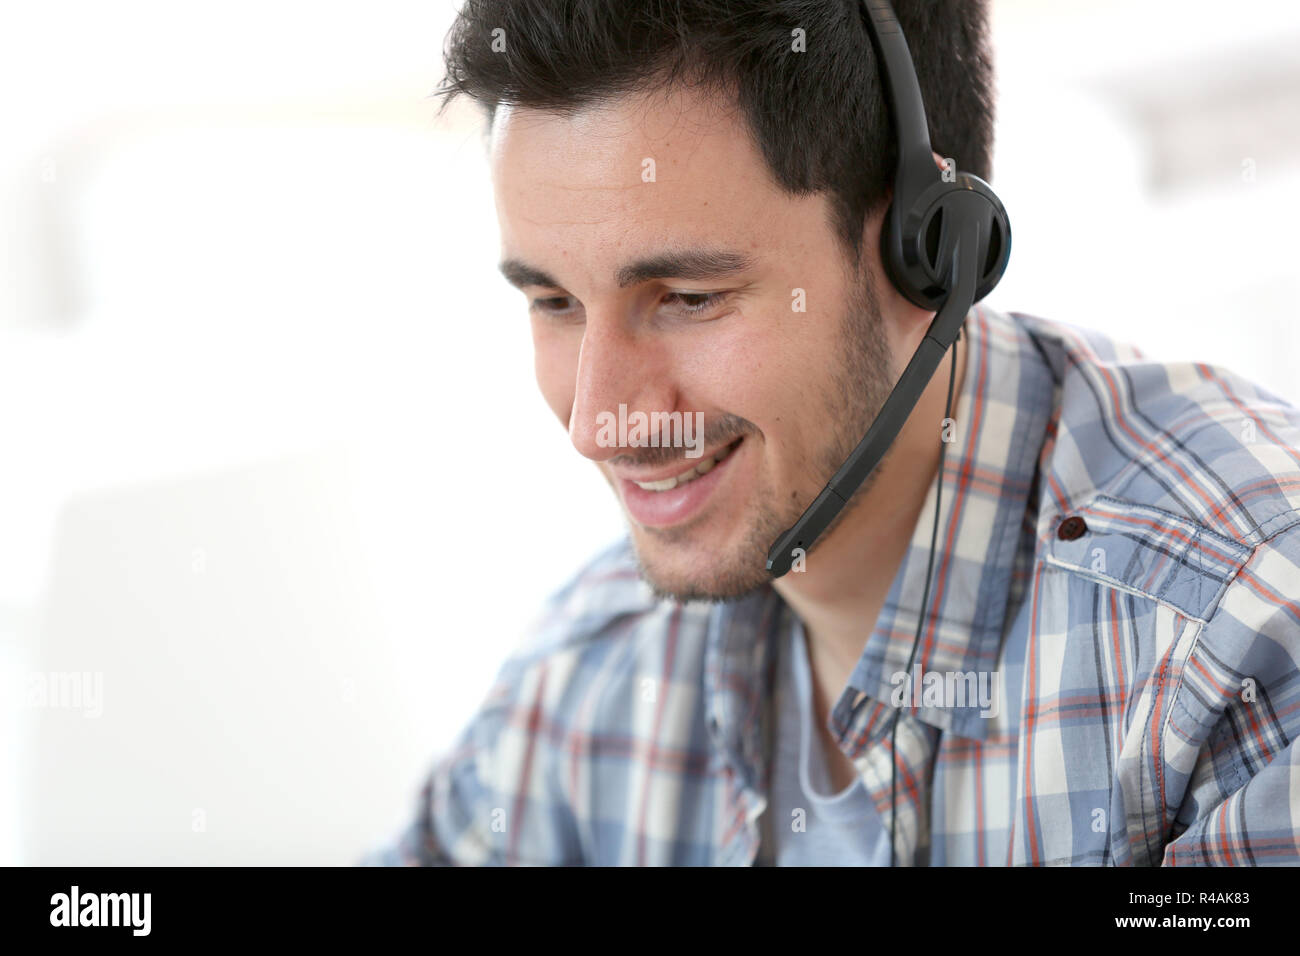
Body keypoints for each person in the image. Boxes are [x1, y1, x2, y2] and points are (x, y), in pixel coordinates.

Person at [368, 0, 1300, 865]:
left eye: (690, 299)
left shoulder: (1242, 638)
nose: (596, 416)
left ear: (938, 254)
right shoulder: (588, 665)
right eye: (555, 301)